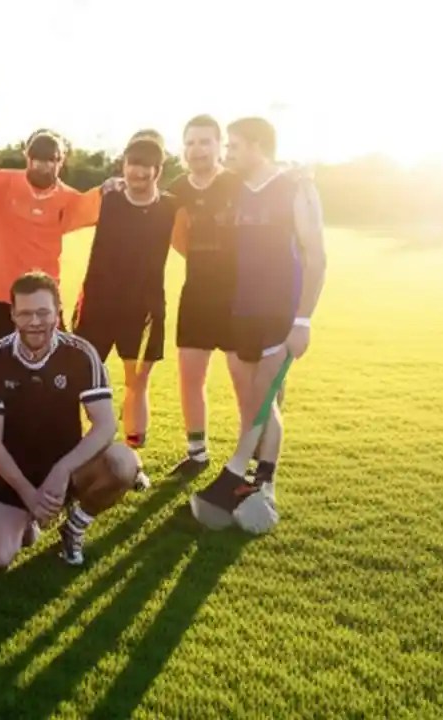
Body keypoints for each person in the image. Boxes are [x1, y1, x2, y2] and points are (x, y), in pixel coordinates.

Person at [190, 117, 327, 531]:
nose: (226, 153)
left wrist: (302, 320)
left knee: (266, 398)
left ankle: (261, 481)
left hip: (279, 314)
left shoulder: (296, 188)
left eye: (233, 146)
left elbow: (317, 256)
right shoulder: (232, 187)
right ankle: (245, 481)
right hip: (238, 312)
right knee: (250, 401)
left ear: (257, 148)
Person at [0, 272, 142, 568]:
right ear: (12, 314)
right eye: (25, 313)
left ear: (57, 311)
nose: (35, 321)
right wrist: (28, 493)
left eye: (43, 312)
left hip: (67, 471)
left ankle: (73, 527)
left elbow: (106, 425)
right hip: (13, 479)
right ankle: (25, 520)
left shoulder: (81, 354)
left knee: (123, 463)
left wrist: (62, 469)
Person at [0, 129, 102, 468]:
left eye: (51, 159)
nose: (43, 165)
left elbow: (107, 205)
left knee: (54, 380)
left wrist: (110, 186)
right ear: (26, 156)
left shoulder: (69, 199)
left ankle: (57, 453)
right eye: (37, 158)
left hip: (43, 307)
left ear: (61, 161)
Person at [72, 132, 178, 477]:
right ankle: (73, 451)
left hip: (143, 312)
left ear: (158, 170)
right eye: (134, 164)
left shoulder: (170, 207)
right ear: (124, 165)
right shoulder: (108, 198)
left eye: (148, 166)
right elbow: (65, 213)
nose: (139, 172)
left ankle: (133, 460)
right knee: (80, 379)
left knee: (137, 385)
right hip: (97, 306)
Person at [165, 115, 245, 479]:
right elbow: (174, 236)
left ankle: (250, 457)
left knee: (242, 379)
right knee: (190, 376)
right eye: (191, 142)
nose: (197, 149)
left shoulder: (236, 183)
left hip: (237, 298)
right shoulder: (177, 189)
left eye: (205, 142)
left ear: (218, 146)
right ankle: (197, 453)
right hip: (195, 294)